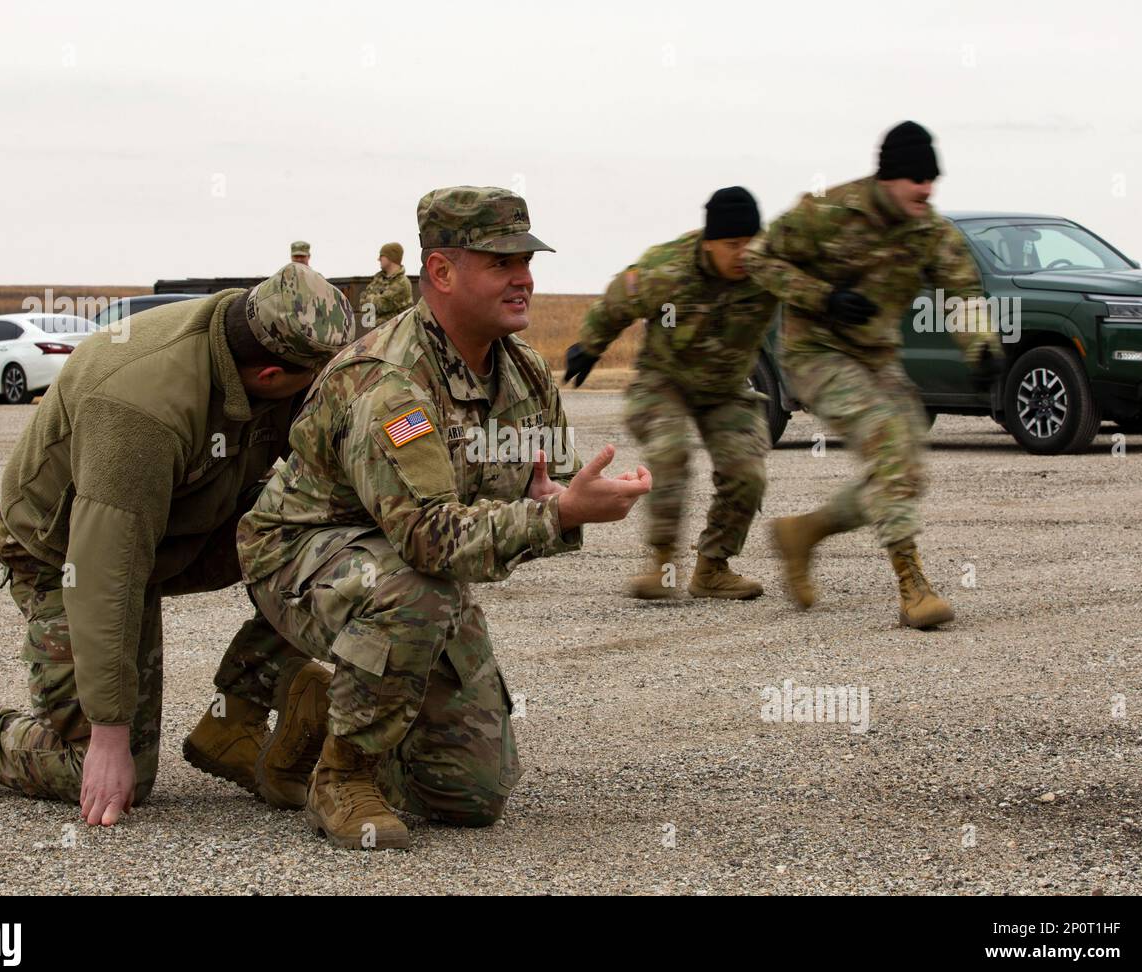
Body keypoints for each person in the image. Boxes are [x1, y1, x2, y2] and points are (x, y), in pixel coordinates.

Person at [238, 186, 652, 849]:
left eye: (526, 261)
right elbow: (431, 539)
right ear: (441, 272)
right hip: (302, 553)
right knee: (416, 589)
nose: (524, 279)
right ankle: (343, 776)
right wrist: (555, 518)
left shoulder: (521, 376)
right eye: (501, 262)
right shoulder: (389, 381)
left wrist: (564, 503)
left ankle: (317, 720)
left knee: (471, 794)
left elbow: (543, 492)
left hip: (402, 563)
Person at [0, 264, 355, 825]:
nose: (323, 391)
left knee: (323, 534)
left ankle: (235, 717)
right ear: (271, 374)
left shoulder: (258, 350)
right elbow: (102, 569)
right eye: (314, 381)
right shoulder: (140, 411)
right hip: (59, 556)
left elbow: (328, 471)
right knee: (108, 770)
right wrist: (109, 731)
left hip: (173, 530)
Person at [744, 121, 1006, 628]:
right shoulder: (827, 213)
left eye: (932, 179)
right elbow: (759, 258)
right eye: (915, 178)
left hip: (876, 358)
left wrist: (980, 347)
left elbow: (962, 291)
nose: (926, 188)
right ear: (888, 177)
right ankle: (913, 586)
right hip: (816, 353)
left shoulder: (930, 231)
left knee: (904, 473)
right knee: (887, 441)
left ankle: (805, 532)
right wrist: (824, 297)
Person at [565, 187, 776, 600]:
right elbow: (616, 302)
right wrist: (590, 346)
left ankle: (713, 568)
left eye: (751, 242)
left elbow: (815, 287)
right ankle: (662, 564)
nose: (744, 253)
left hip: (726, 387)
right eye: (733, 245)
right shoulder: (668, 268)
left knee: (747, 474)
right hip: (664, 381)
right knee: (670, 454)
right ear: (709, 242)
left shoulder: (772, 266)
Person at [357, 242, 415, 329]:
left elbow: (383, 305)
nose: (378, 259)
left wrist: (370, 299)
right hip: (375, 333)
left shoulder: (402, 283)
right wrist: (374, 300)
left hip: (395, 335)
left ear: (391, 257)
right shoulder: (378, 279)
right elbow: (363, 304)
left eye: (382, 256)